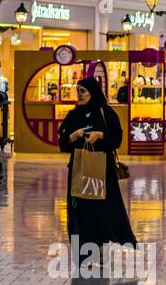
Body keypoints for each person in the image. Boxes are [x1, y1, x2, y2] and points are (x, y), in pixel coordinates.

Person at [57, 76, 137, 253]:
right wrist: (73, 136)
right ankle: (85, 250)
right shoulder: (74, 115)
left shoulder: (106, 113)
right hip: (80, 167)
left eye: (83, 91)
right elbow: (62, 143)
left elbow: (117, 138)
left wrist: (100, 135)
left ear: (93, 92)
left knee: (104, 206)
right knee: (80, 209)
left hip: (103, 168)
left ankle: (102, 245)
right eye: (78, 91)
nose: (79, 95)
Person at [0, 74, 11, 148]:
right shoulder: (1, 93)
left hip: (4, 113)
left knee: (5, 125)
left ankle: (4, 139)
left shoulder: (4, 94)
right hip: (2, 113)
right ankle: (3, 139)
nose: (7, 86)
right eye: (6, 84)